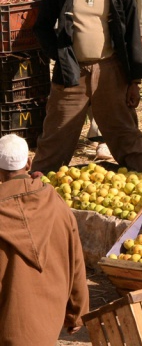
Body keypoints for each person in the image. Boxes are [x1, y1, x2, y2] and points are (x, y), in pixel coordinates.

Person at [32, 0, 142, 173]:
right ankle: (38, 190)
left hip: (111, 70)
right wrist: (61, 55)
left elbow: (131, 35)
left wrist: (134, 80)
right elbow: (42, 27)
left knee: (125, 134)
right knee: (56, 135)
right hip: (72, 72)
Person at [0, 134, 89, 344]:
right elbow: (76, 261)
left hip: (8, 325)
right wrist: (77, 312)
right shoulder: (57, 204)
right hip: (48, 324)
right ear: (29, 162)